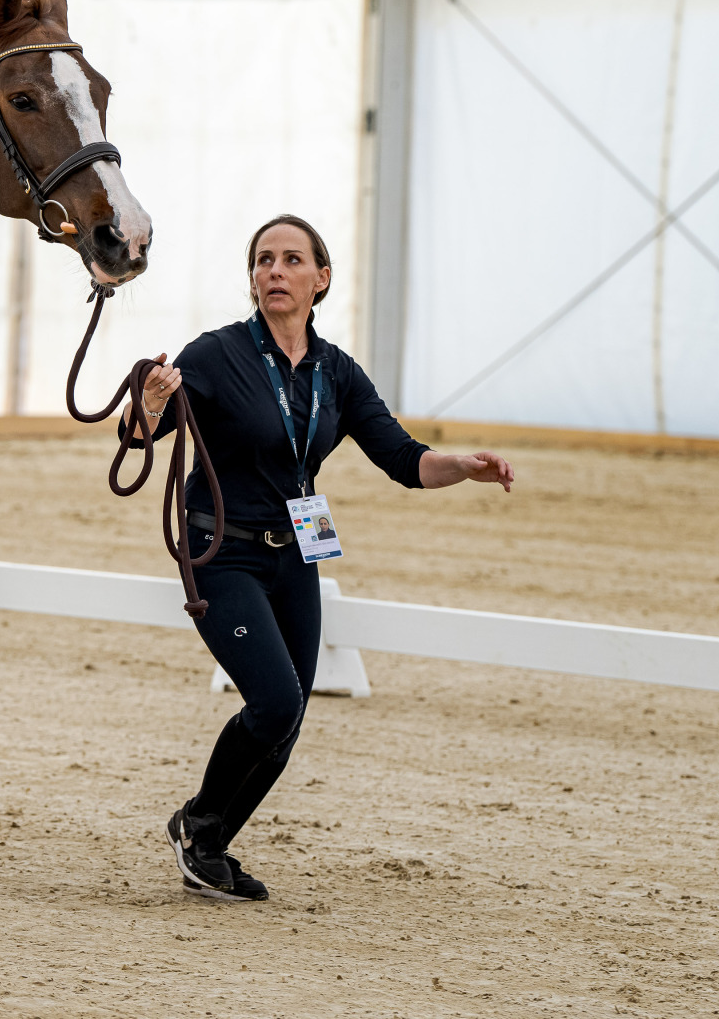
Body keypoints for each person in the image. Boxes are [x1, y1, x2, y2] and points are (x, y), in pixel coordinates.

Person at [125, 214, 514, 902]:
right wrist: (148, 405)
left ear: (320, 279)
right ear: (253, 279)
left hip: (296, 555)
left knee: (291, 713)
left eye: (291, 259)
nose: (275, 270)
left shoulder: (336, 371)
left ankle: (205, 838)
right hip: (223, 552)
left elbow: (403, 458)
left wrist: (463, 464)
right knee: (274, 701)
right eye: (264, 259)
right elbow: (142, 433)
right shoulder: (216, 355)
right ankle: (200, 825)